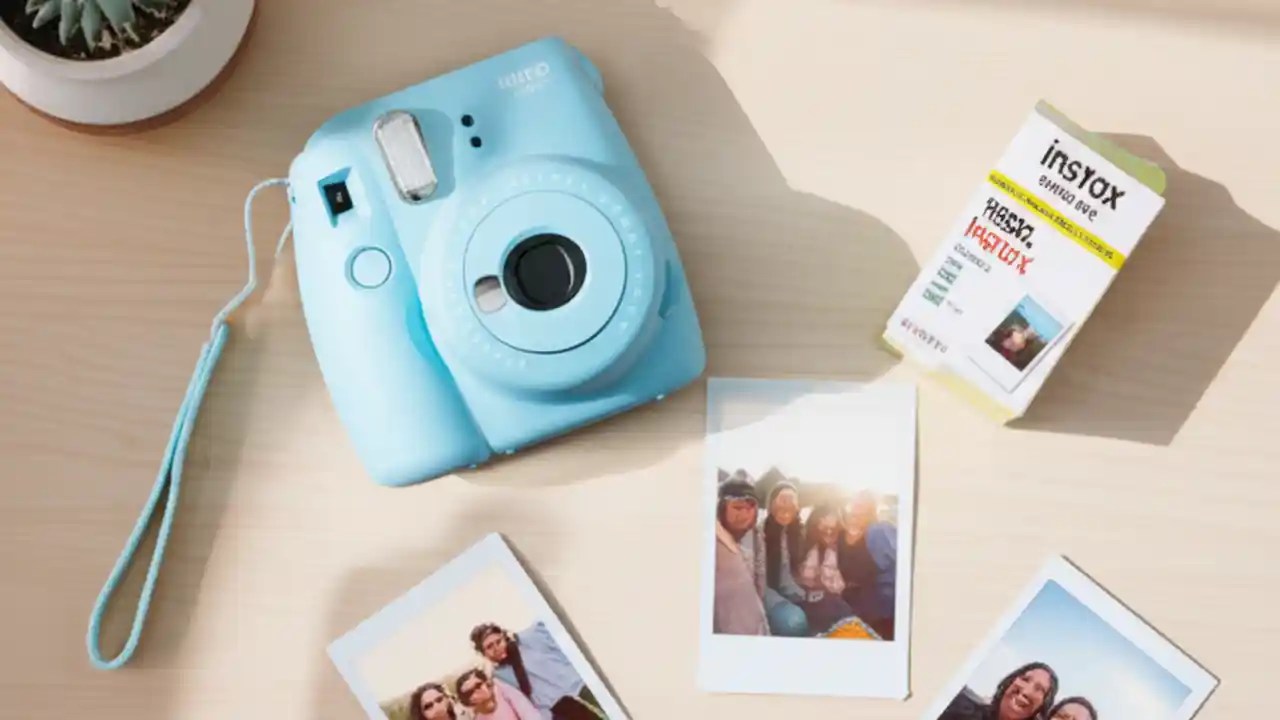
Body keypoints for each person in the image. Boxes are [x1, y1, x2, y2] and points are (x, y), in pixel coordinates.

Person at [469, 621, 602, 720]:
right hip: (556, 712)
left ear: (504, 636)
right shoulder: (499, 676)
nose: (496, 648)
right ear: (483, 653)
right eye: (489, 647)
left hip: (580, 689)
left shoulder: (531, 638)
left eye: (498, 641)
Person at [837, 491, 898, 640]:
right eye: (856, 502)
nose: (857, 507)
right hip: (852, 599)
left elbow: (897, 563)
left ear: (871, 508)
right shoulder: (840, 534)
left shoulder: (879, 530)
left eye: (863, 503)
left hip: (880, 601)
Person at [713, 474, 769, 636]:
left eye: (750, 507)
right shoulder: (716, 544)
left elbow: (760, 572)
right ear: (722, 508)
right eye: (737, 507)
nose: (744, 514)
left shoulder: (756, 535)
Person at [795, 503, 858, 634]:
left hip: (835, 602)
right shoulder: (804, 546)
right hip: (806, 600)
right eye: (824, 527)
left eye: (834, 529)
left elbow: (841, 586)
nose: (829, 532)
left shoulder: (843, 550)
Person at [760, 481, 810, 636]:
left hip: (795, 591)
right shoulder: (759, 532)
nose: (786, 509)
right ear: (771, 505)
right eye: (781, 501)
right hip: (767, 591)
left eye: (791, 502)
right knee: (793, 622)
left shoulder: (800, 533)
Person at [938, 662, 1059, 720]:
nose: (1026, 691)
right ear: (1009, 683)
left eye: (1039, 689)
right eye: (1025, 679)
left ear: (1042, 706)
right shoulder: (958, 708)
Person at [456, 668, 541, 720]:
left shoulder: (504, 692)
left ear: (487, 683)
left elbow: (530, 714)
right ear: (467, 702)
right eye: (470, 692)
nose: (477, 691)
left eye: (478, 685)